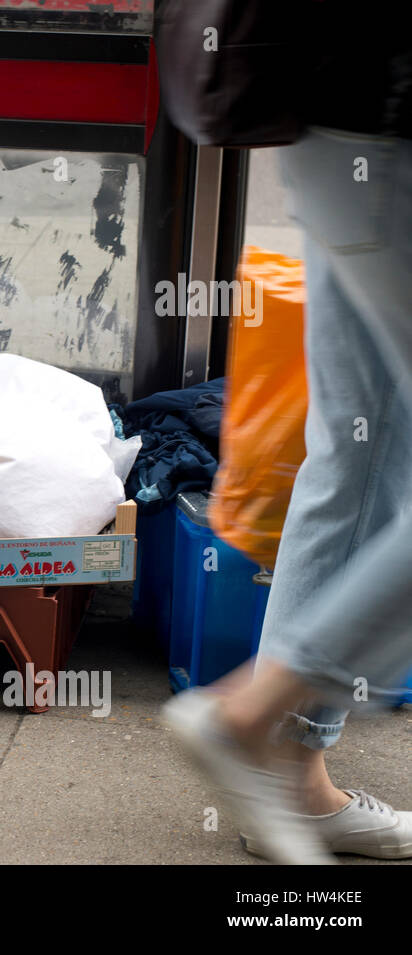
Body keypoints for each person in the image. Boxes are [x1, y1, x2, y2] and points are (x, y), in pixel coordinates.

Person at [162, 4, 412, 863]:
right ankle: (249, 715)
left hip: (339, 131)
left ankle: (293, 776)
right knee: (364, 449)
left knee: (362, 447)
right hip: (388, 132)